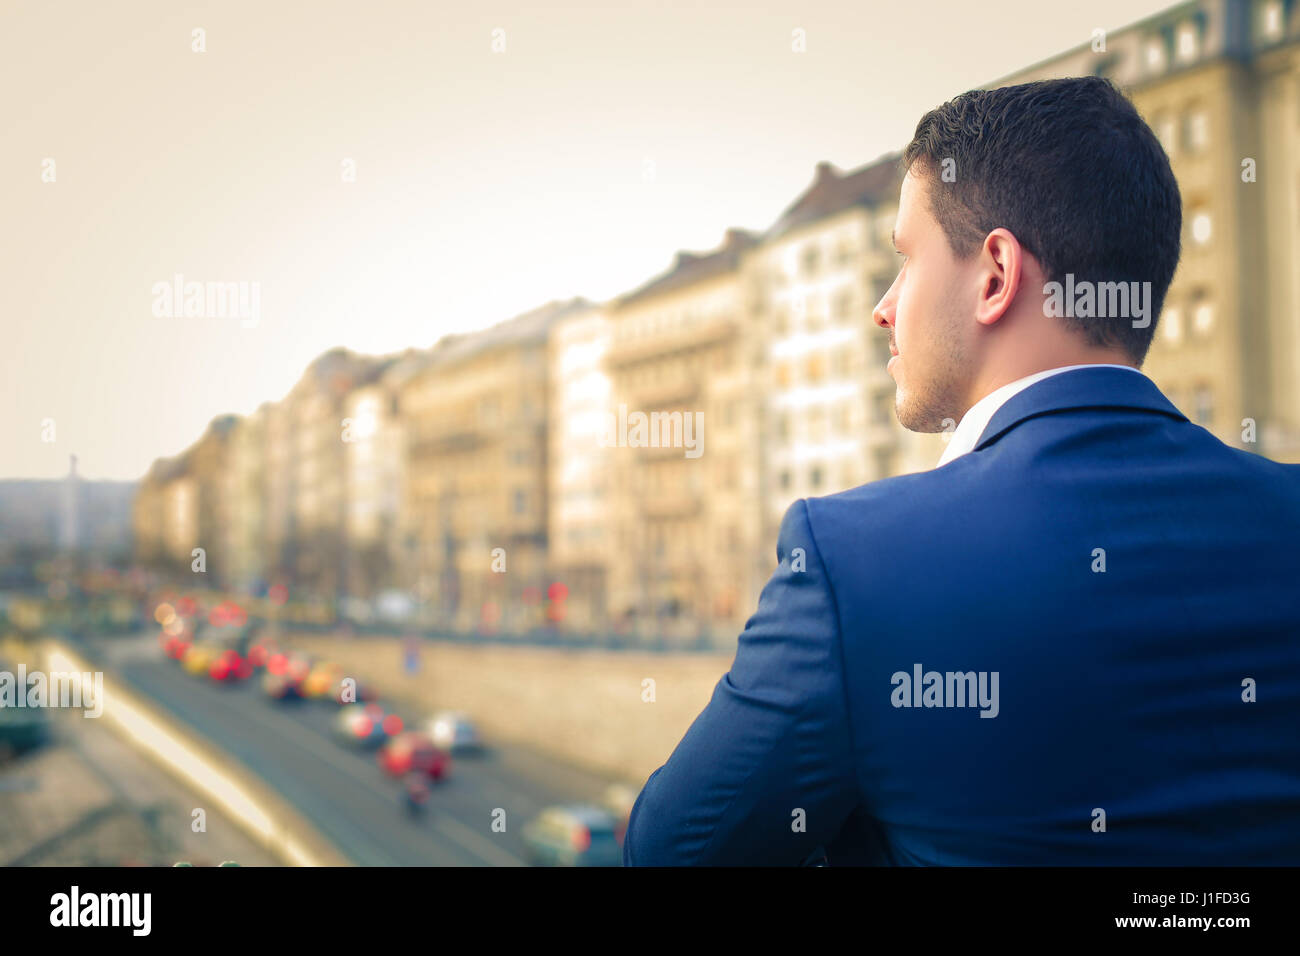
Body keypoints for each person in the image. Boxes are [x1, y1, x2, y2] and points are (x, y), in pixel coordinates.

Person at [623, 76, 1300, 866]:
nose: (884, 306)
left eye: (906, 261)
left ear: (994, 277)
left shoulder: (852, 561)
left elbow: (673, 853)